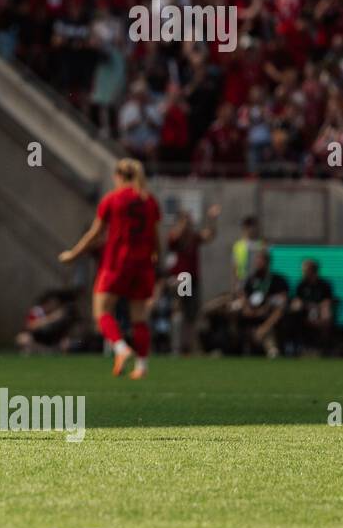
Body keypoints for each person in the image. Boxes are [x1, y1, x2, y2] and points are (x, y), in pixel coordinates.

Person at [59, 158, 162, 379]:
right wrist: (157, 260)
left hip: (117, 262)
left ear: (118, 176)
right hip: (143, 264)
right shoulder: (149, 200)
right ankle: (142, 366)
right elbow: (156, 237)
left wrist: (73, 254)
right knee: (140, 318)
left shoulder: (112, 200)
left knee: (102, 312)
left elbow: (93, 234)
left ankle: (121, 348)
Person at [163, 203, 221, 354]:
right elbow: (174, 239)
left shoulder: (193, 236)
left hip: (192, 279)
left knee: (192, 315)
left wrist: (212, 219)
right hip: (182, 278)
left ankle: (187, 346)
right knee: (179, 310)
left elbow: (210, 235)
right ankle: (176, 347)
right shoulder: (176, 235)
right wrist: (183, 223)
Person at [287, 259, 336, 355]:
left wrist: (317, 309)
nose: (303, 273)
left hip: (320, 313)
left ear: (313, 271)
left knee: (326, 311)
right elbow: (297, 301)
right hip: (304, 314)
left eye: (305, 270)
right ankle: (297, 347)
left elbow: (327, 301)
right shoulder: (301, 285)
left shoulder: (324, 285)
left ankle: (323, 348)